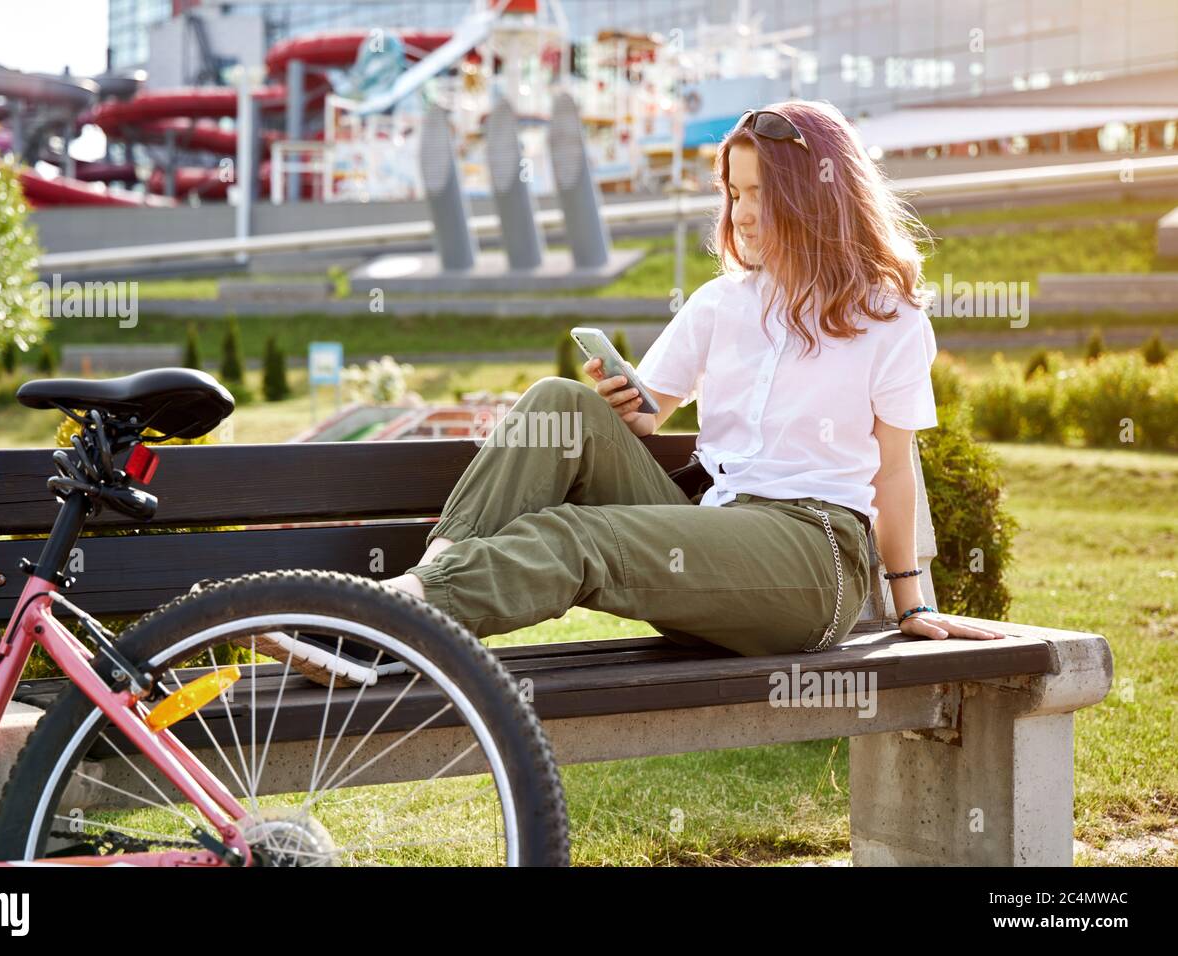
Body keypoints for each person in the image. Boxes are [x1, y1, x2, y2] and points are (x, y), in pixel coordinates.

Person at [381, 99, 1003, 655]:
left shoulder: (886, 315)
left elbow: (893, 469)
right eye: (735, 194)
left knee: (576, 534)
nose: (743, 214)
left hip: (811, 563)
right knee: (559, 405)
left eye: (762, 193)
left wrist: (911, 601)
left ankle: (396, 619)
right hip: (710, 543)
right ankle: (418, 589)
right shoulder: (719, 302)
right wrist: (625, 400)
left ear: (817, 195)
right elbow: (650, 415)